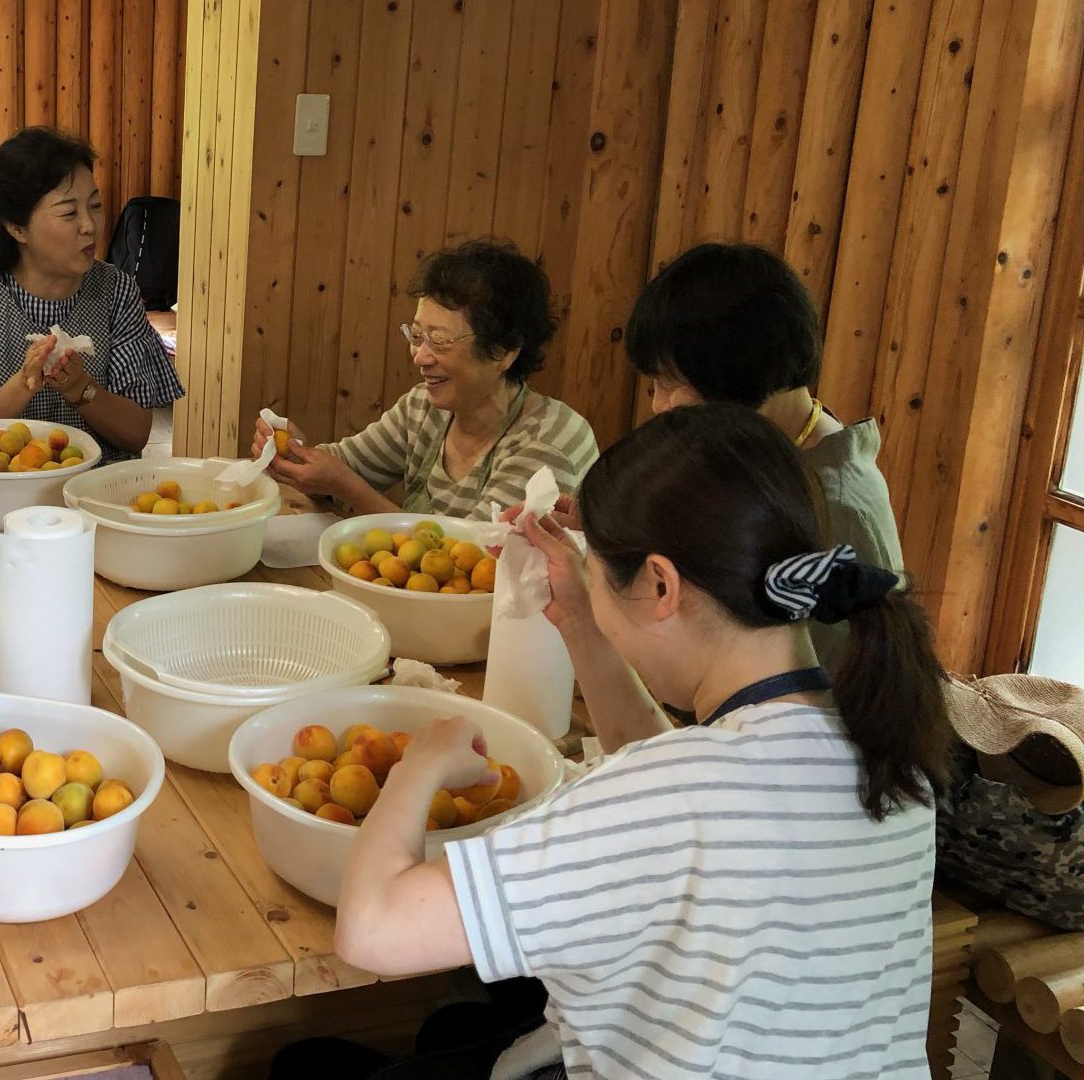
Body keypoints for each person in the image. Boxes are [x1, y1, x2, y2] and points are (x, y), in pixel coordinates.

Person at [325, 404, 949, 1078]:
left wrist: (417, 764)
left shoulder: (663, 802)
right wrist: (584, 628)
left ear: (659, 584)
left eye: (599, 573)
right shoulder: (892, 759)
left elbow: (371, 929)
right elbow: (671, 784)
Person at [623, 241, 903, 671]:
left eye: (668, 383)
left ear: (737, 373)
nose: (659, 405)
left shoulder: (834, 507)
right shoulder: (765, 448)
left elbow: (833, 698)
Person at [252, 240, 597, 518]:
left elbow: (471, 561)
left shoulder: (548, 442)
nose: (420, 357)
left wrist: (347, 488)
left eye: (440, 341)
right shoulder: (424, 408)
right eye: (416, 336)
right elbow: (345, 465)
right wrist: (289, 452)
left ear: (504, 352)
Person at [0, 127, 184, 463]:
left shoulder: (117, 291)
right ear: (17, 227)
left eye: (95, 206)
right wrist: (24, 383)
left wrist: (81, 388)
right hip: (2, 499)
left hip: (99, 494)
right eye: (69, 213)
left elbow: (136, 434)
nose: (90, 225)